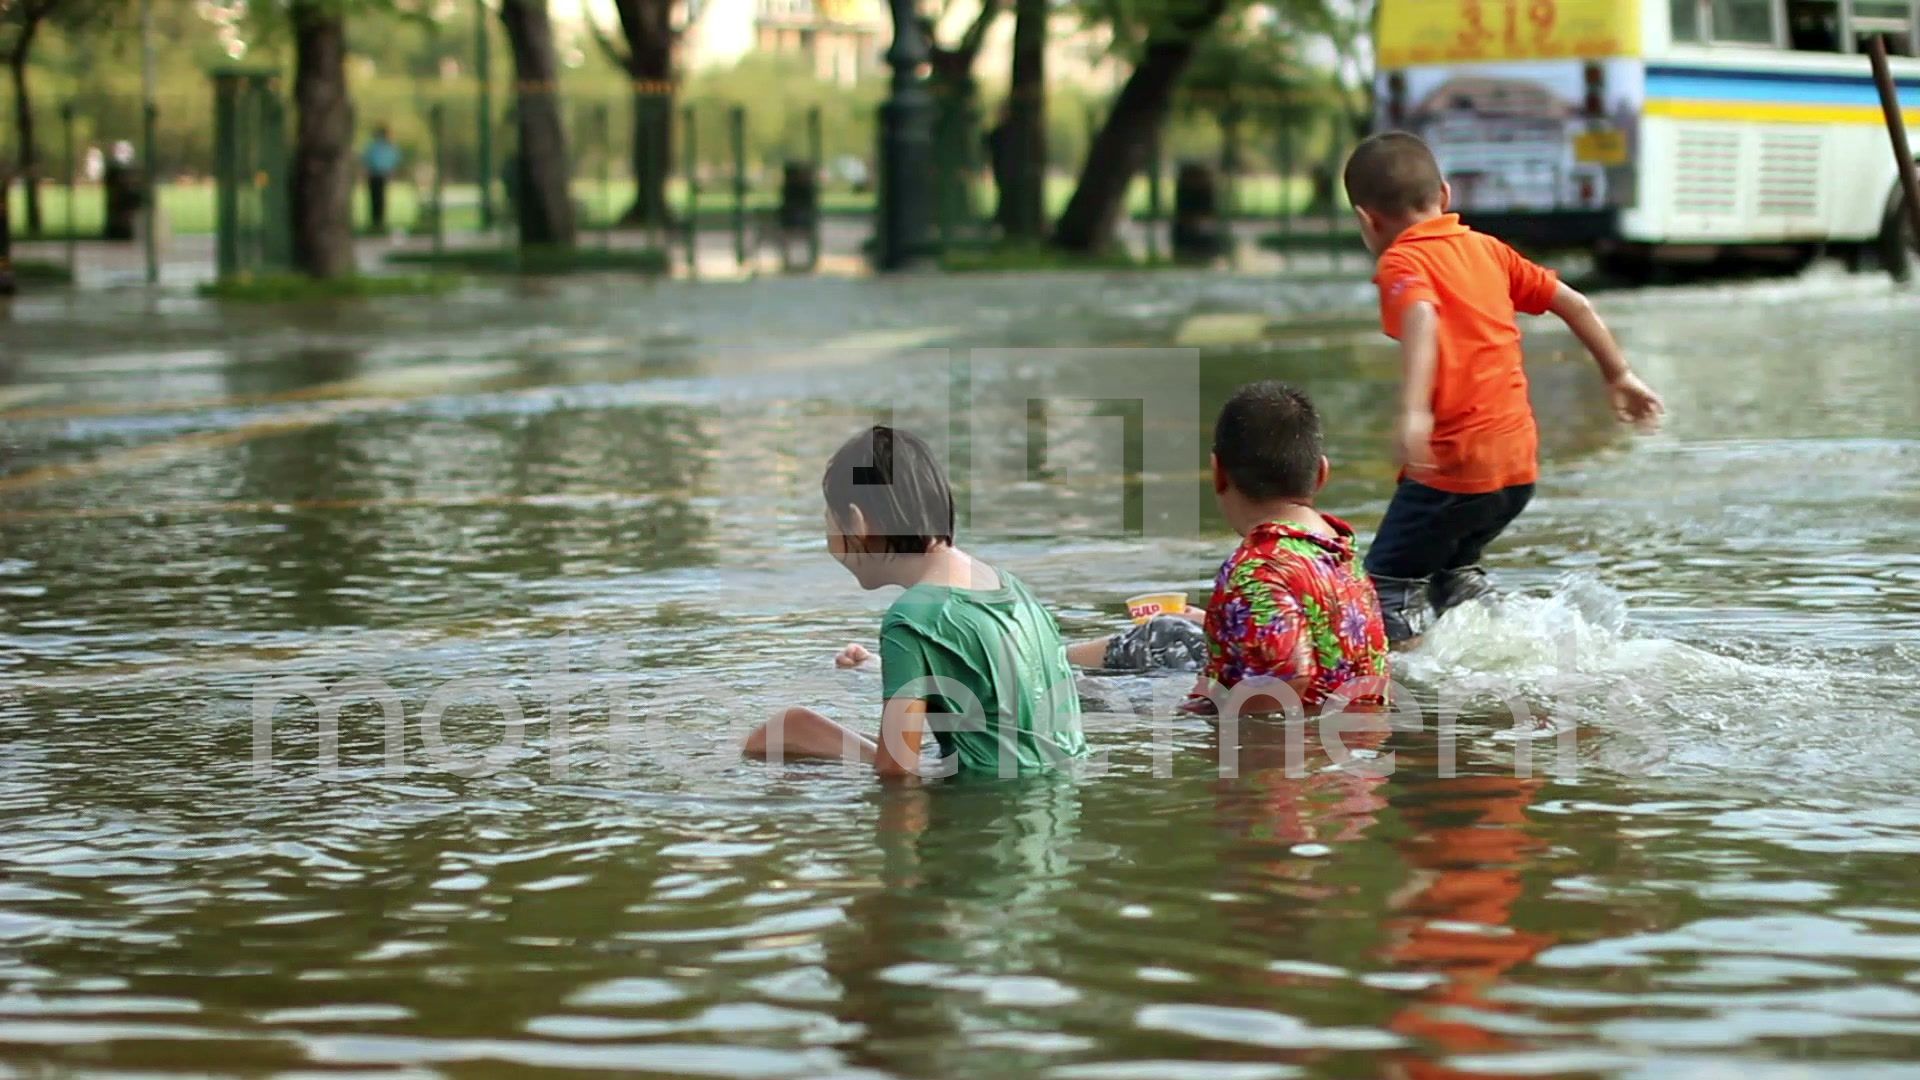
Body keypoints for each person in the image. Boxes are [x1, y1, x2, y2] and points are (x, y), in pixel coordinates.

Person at [1344, 132, 1665, 646]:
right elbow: (1574, 302)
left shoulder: (1402, 261)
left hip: (1453, 469)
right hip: (1515, 470)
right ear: (1445, 196)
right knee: (1452, 573)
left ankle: (1410, 691)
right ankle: (1508, 648)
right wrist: (1619, 374)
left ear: (1366, 220)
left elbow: (1423, 316)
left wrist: (1413, 415)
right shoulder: (1489, 250)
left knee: (1385, 585)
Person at [743, 426, 1087, 779]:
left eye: (829, 521)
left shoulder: (911, 619)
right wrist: (883, 667)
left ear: (857, 523)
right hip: (1053, 799)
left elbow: (897, 773)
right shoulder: (1010, 587)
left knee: (783, 730)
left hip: (980, 805)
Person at [1187, 381, 1390, 715]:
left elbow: (1287, 677)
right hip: (1359, 753)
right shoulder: (1339, 553)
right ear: (1322, 473)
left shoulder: (1259, 567)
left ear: (1217, 473)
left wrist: (1198, 713)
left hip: (1295, 760)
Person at [362, 125, 401, 233]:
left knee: (380, 199)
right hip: (375, 175)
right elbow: (367, 160)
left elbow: (393, 160)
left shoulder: (387, 146)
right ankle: (376, 222)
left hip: (381, 175)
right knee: (375, 198)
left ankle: (379, 222)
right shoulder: (374, 146)